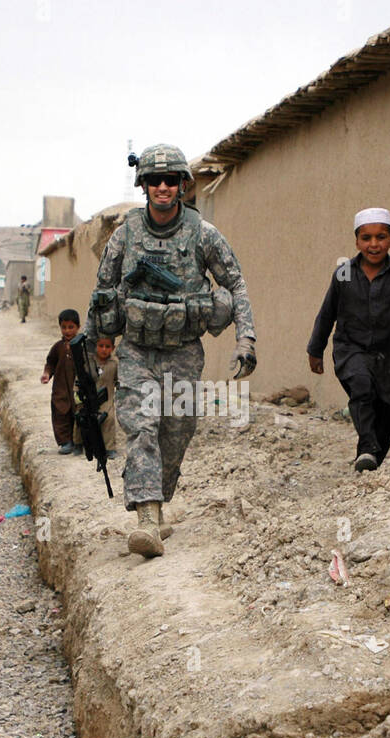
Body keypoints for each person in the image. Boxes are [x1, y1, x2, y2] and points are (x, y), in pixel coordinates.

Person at [82, 143, 256, 558]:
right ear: (144, 185)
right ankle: (146, 521)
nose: (162, 187)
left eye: (170, 180)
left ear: (181, 185)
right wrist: (90, 350)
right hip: (138, 350)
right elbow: (102, 291)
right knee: (142, 427)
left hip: (183, 351)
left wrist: (245, 338)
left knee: (176, 432)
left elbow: (235, 285)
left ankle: (158, 509)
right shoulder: (125, 234)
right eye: (154, 180)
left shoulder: (203, 234)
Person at [306, 208, 390, 471]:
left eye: (381, 237)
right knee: (361, 386)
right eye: (366, 238)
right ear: (357, 241)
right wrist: (315, 349)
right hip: (350, 348)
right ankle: (367, 447)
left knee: (386, 407)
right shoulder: (344, 273)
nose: (374, 244)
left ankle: (372, 461)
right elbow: (327, 312)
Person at [41, 309, 82, 454]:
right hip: (61, 388)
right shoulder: (58, 347)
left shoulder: (82, 346)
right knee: (60, 413)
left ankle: (79, 441)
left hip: (77, 388)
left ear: (78, 327)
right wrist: (47, 374)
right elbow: (50, 362)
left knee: (79, 413)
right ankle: (66, 442)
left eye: (71, 327)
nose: (67, 331)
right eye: (64, 327)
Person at [93, 334, 119, 458]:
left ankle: (109, 448)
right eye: (101, 346)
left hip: (106, 399)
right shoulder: (90, 362)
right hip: (90, 397)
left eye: (107, 346)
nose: (104, 349)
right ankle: (79, 444)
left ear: (113, 348)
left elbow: (119, 380)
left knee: (108, 419)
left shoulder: (114, 364)